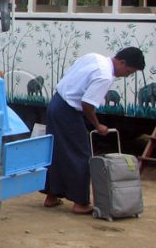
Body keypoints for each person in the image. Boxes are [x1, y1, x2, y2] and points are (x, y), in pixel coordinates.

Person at [42, 47, 145, 214]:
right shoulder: (105, 76)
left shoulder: (94, 56)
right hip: (67, 110)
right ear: (122, 62)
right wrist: (98, 125)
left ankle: (51, 196)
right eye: (129, 71)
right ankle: (80, 203)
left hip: (56, 103)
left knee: (57, 152)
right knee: (82, 155)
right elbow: (87, 104)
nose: (127, 75)